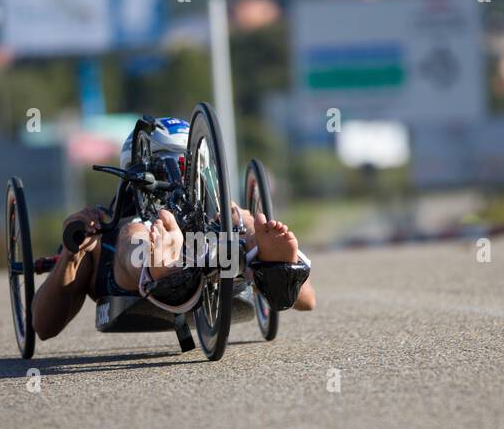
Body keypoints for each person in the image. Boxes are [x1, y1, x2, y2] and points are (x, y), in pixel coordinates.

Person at [31, 116, 314, 341]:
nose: (176, 180)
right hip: (130, 272)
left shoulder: (219, 215)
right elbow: (44, 327)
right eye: (162, 170)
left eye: (182, 167)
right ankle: (162, 268)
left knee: (245, 220)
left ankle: (274, 269)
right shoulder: (99, 227)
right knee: (135, 233)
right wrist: (72, 253)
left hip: (210, 252)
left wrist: (242, 222)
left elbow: (308, 301)